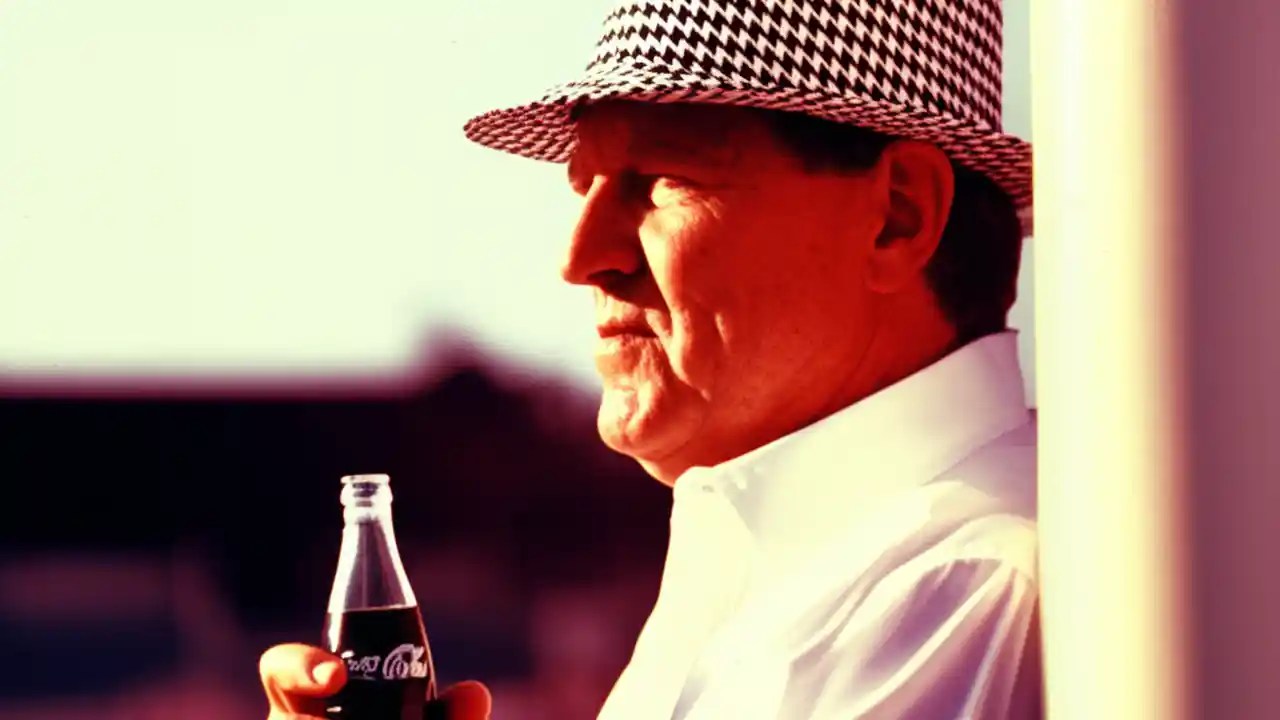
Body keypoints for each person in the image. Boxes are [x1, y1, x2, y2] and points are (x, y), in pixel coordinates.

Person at [261, 0, 1040, 717]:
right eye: (584, 186)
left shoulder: (962, 588)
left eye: (662, 181)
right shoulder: (790, 573)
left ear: (897, 218)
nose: (580, 256)